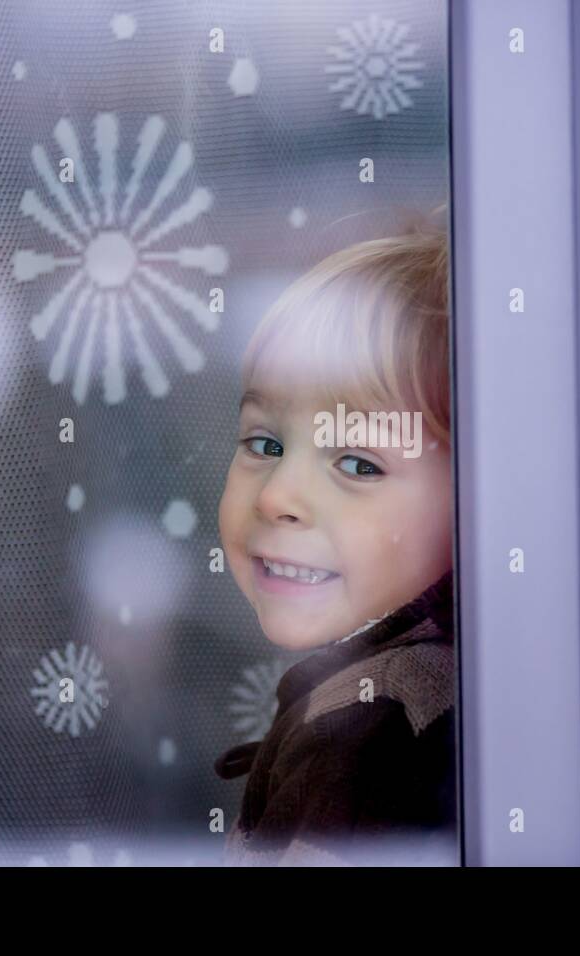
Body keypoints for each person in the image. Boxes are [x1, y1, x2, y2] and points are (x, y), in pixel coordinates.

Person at [214, 207, 457, 865]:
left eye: (357, 464)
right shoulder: (389, 699)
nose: (276, 496)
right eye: (265, 443)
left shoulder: (367, 734)